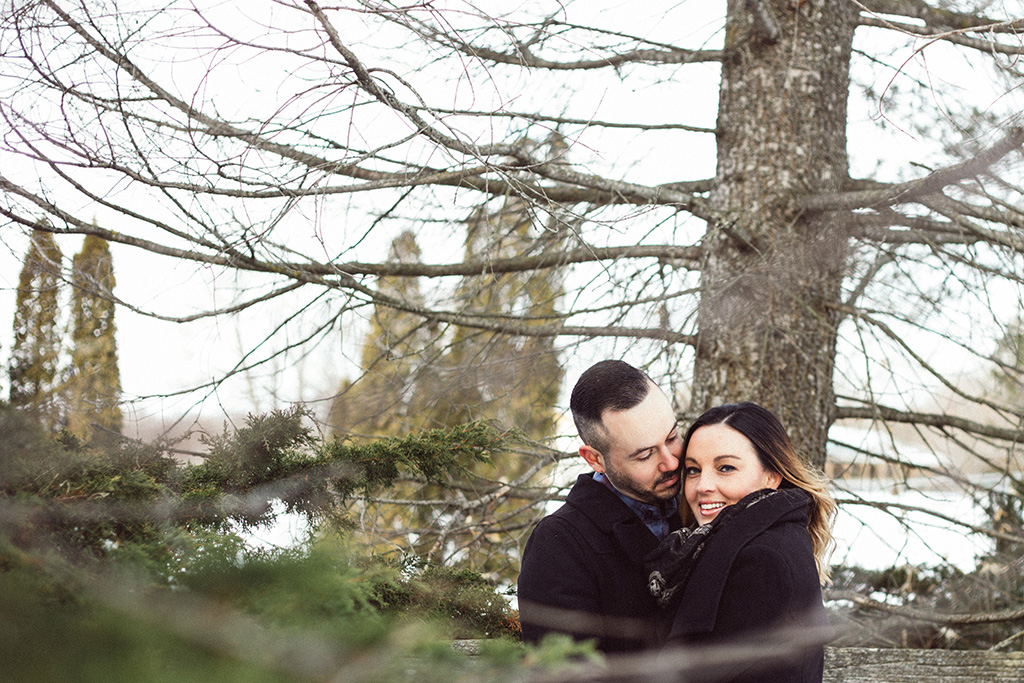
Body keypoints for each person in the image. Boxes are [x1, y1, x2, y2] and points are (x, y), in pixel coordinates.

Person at [645, 402, 836, 682]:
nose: (703, 486)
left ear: (772, 476)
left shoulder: (763, 561)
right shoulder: (729, 545)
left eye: (725, 468)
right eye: (693, 470)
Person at [517, 360, 684, 653]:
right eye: (644, 455)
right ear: (594, 459)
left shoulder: (705, 501)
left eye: (672, 437)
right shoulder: (560, 546)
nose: (671, 462)